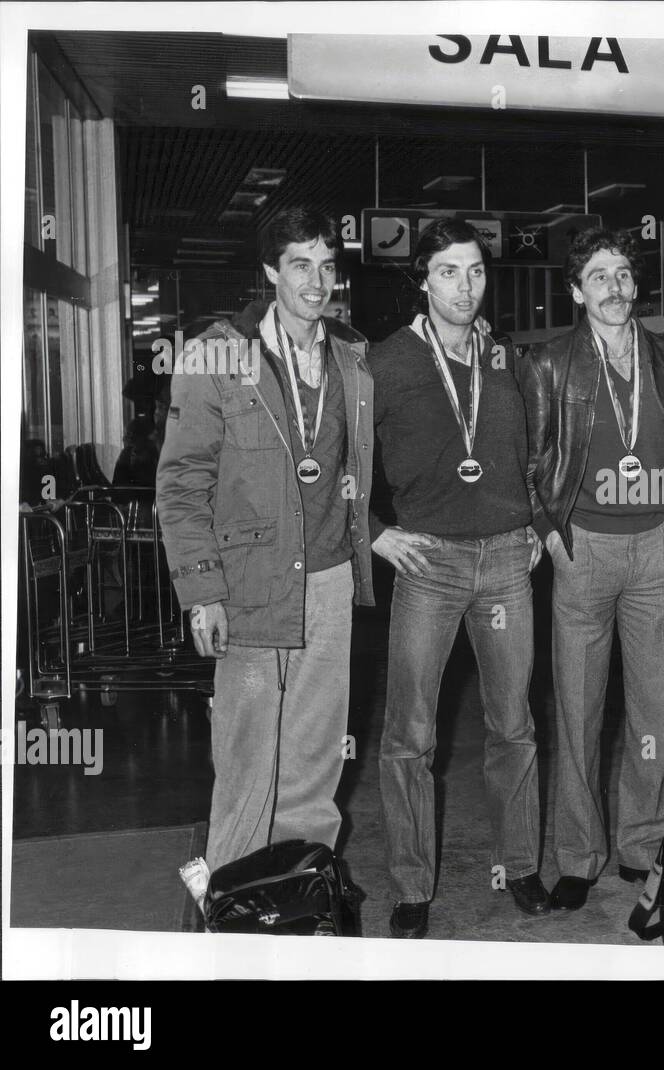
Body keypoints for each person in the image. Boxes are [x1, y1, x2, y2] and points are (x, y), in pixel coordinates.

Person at [156, 207, 375, 928]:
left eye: (327, 264)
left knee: (317, 758)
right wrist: (201, 593)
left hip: (331, 579)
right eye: (301, 265)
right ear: (270, 272)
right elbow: (181, 483)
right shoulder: (216, 355)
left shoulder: (352, 357)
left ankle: (300, 896)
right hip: (248, 585)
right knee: (249, 763)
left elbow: (362, 469)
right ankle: (230, 903)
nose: (318, 281)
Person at [368, 219, 548, 938]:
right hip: (429, 564)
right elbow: (338, 453)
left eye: (475, 271)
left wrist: (538, 519)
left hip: (507, 560)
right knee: (409, 735)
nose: (464, 286)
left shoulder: (506, 359)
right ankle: (413, 885)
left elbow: (535, 449)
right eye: (448, 271)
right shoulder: (385, 362)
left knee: (515, 725)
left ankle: (522, 863)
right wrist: (375, 532)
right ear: (423, 278)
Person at [520, 227, 664, 912]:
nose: (615, 287)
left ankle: (644, 843)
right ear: (577, 291)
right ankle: (576, 854)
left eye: (624, 274)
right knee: (578, 709)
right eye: (599, 276)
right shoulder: (549, 364)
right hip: (585, 550)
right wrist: (551, 532)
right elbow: (530, 460)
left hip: (658, 546)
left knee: (657, 708)